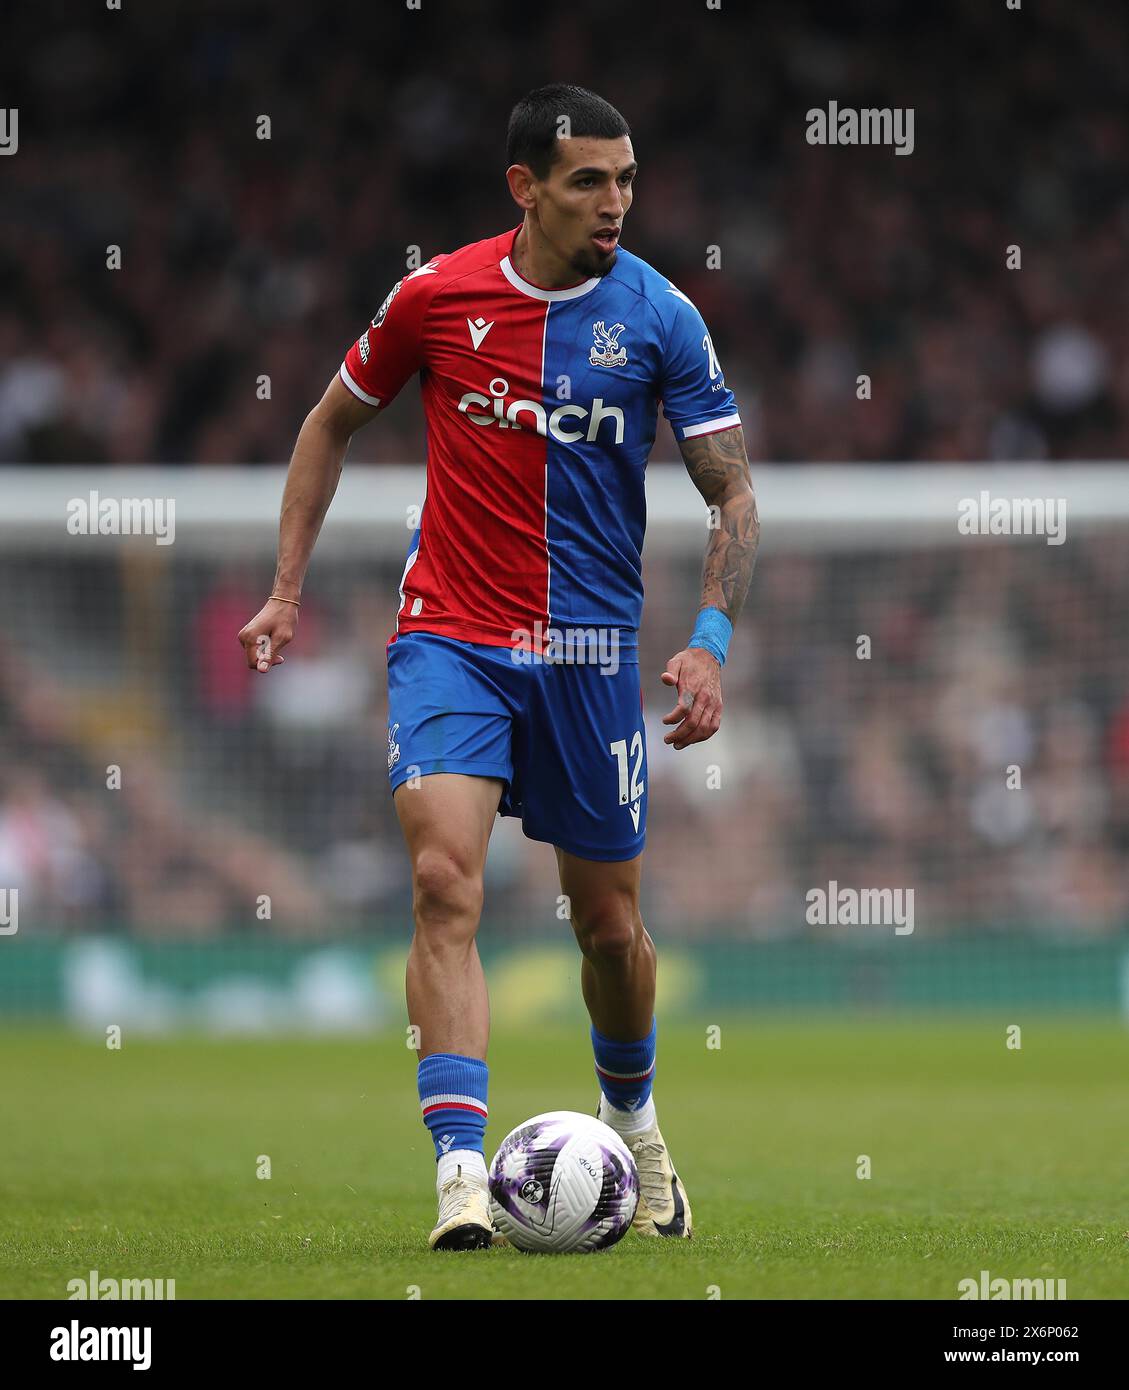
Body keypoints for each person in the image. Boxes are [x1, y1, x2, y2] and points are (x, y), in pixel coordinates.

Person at [238, 83, 759, 1249]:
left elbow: (731, 490)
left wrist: (709, 640)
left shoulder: (662, 316)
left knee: (609, 929)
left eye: (626, 179)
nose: (615, 202)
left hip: (587, 656)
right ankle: (461, 1172)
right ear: (524, 187)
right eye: (588, 181)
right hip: (451, 635)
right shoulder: (435, 296)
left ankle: (634, 1116)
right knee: (443, 884)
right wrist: (285, 588)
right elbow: (328, 420)